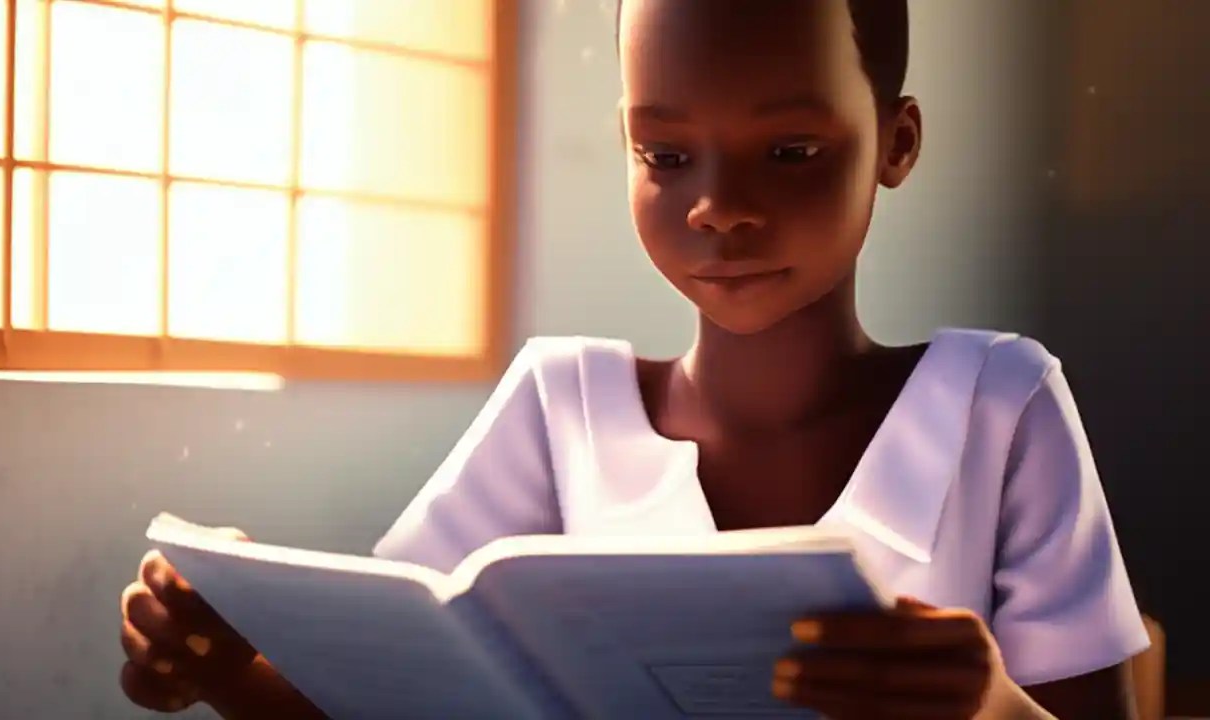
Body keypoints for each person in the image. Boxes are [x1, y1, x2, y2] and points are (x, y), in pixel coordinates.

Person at [118, 1, 1150, 717]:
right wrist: (221, 662)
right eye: (665, 155)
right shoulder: (558, 406)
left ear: (896, 142)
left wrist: (990, 707)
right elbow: (389, 700)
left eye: (790, 152)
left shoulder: (998, 405)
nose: (717, 207)